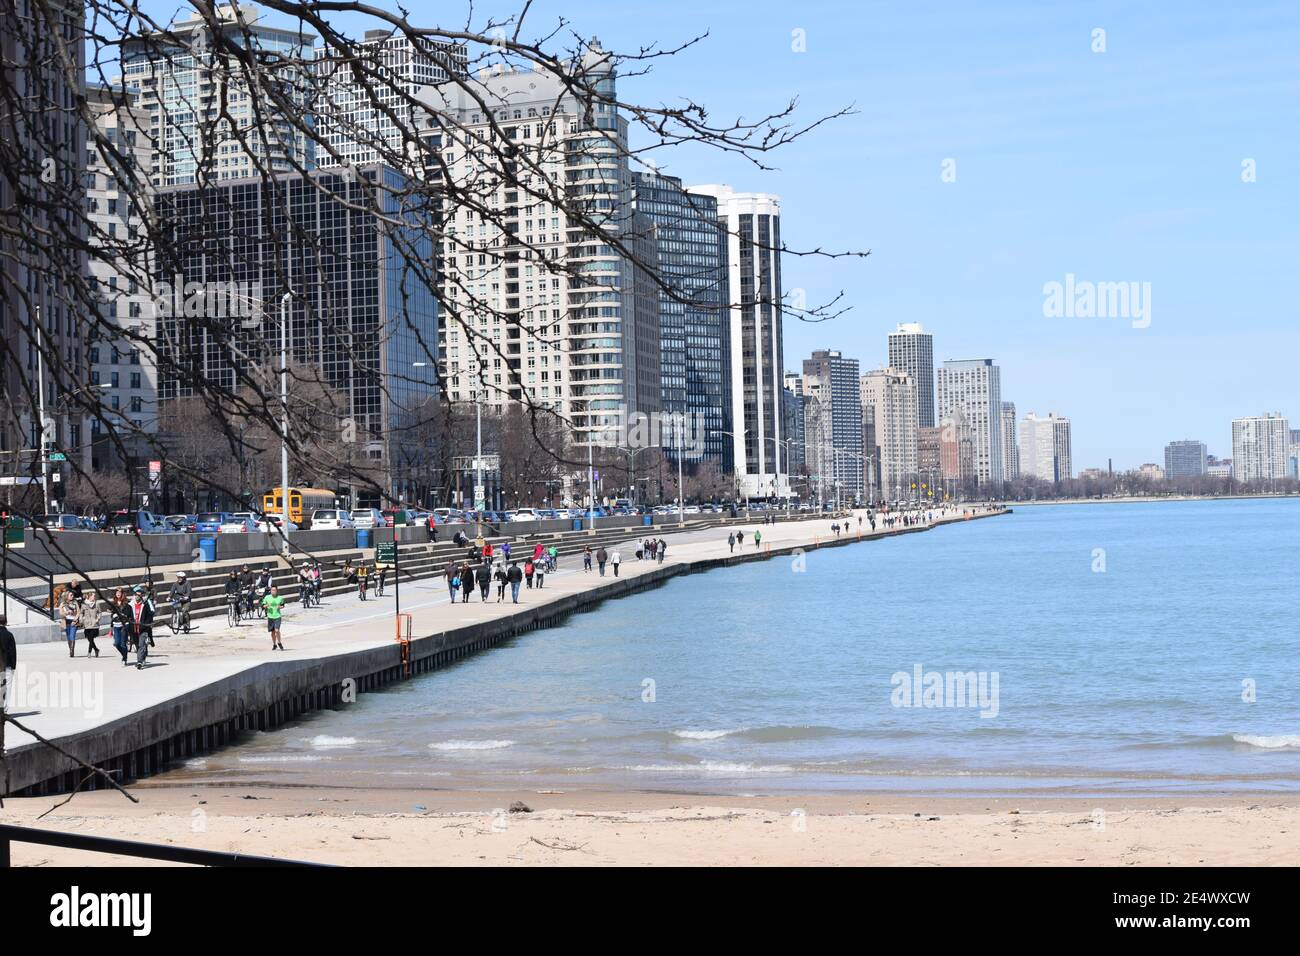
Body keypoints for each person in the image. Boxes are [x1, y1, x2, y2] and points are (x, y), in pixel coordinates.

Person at [129, 587, 153, 670]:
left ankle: (139, 662)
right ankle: (143, 657)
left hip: (143, 629)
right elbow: (126, 614)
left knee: (141, 644)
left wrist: (145, 624)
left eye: (139, 595)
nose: (137, 596)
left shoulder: (145, 605)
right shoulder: (130, 605)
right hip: (133, 629)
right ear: (134, 595)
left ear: (141, 596)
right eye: (136, 595)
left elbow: (150, 615)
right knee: (137, 645)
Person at [110, 588, 132, 664]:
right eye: (117, 593)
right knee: (117, 644)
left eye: (119, 592)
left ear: (122, 594)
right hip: (116, 625)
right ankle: (124, 655)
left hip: (124, 625)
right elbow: (112, 613)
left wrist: (122, 615)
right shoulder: (113, 603)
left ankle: (124, 658)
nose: (118, 594)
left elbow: (128, 614)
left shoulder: (126, 603)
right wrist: (113, 616)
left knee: (123, 644)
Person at [262, 584, 286, 651]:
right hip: (270, 617)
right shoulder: (267, 597)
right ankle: (274, 644)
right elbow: (263, 605)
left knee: (277, 630)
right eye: (272, 590)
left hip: (277, 616)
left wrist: (280, 607)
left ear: (277, 591)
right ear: (270, 591)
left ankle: (279, 642)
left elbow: (283, 605)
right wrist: (266, 605)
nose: (273, 591)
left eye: (274, 590)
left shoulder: (280, 598)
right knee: (272, 632)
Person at [81, 589, 104, 657]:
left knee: (91, 638)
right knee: (89, 638)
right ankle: (96, 649)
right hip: (87, 624)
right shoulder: (84, 604)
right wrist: (82, 619)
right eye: (93, 596)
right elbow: (81, 613)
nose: (94, 597)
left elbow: (100, 612)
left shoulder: (97, 604)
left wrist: (98, 618)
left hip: (94, 624)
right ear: (89, 597)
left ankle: (89, 652)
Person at [59, 586, 80, 657]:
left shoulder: (75, 602)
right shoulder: (62, 604)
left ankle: (72, 651)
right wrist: (66, 612)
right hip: (66, 621)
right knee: (68, 637)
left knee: (72, 636)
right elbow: (61, 613)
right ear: (67, 596)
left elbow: (78, 612)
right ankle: (70, 649)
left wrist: (75, 619)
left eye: (73, 595)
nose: (72, 596)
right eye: (71, 595)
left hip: (73, 621)